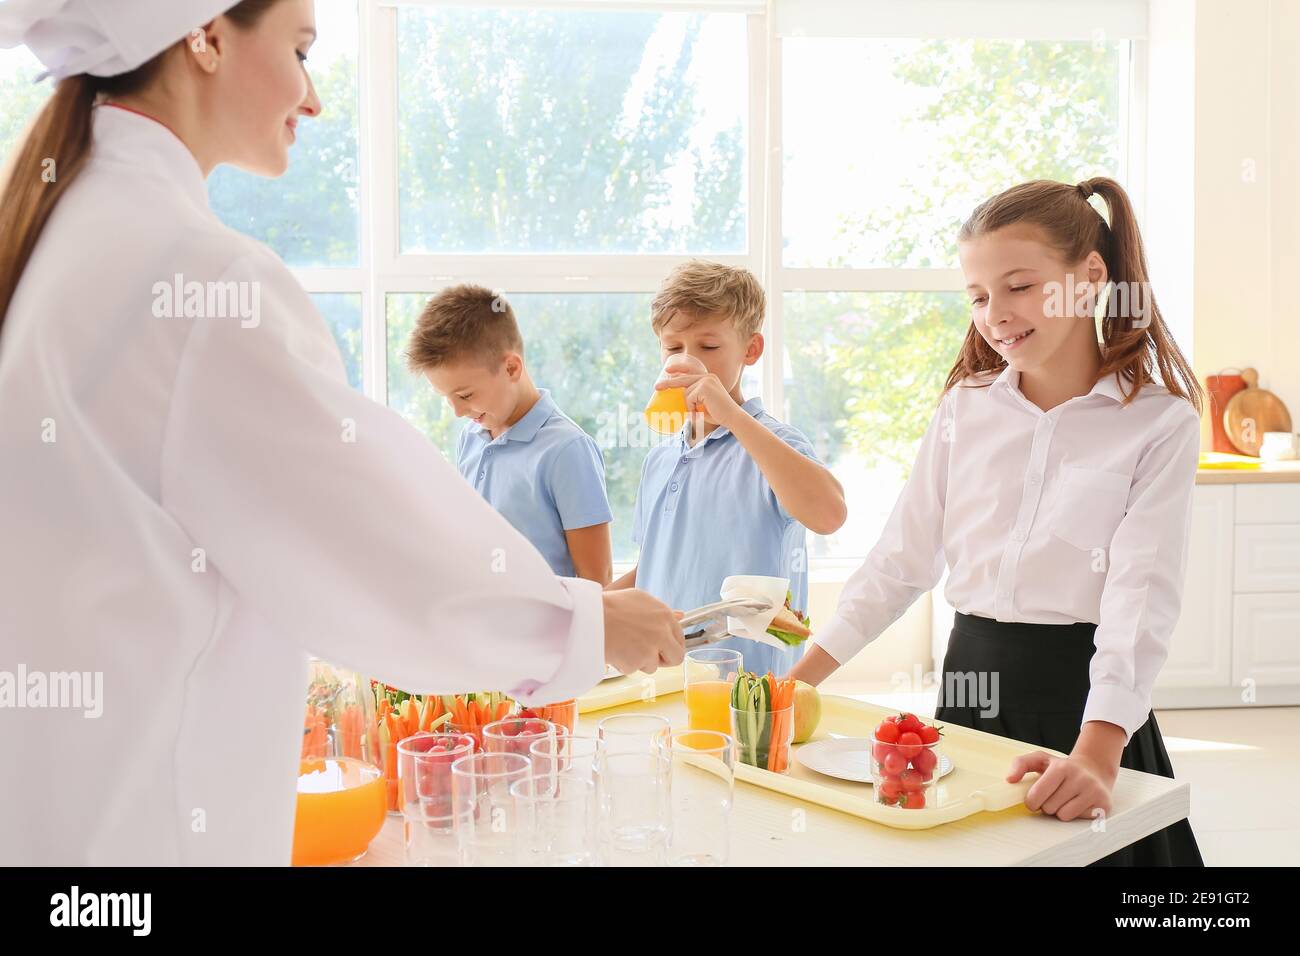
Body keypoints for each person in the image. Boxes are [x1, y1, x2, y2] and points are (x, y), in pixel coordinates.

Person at [0, 0, 682, 865]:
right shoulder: (197, 276)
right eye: (300, 47)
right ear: (204, 35)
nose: (313, 97)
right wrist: (582, 626)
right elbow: (373, 546)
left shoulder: (63, 239)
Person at [789, 178, 1204, 866]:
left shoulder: (1159, 423)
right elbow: (901, 561)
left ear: (1089, 277)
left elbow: (1141, 594)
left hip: (1087, 702)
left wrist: (1098, 756)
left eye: (1018, 285)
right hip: (968, 689)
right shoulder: (965, 408)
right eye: (979, 296)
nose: (995, 314)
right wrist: (797, 683)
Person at [609, 260, 847, 676]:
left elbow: (829, 515)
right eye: (673, 347)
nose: (688, 361)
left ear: (751, 350)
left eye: (709, 347)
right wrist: (584, 613)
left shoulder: (775, 444)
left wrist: (732, 417)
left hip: (749, 686)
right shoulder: (659, 458)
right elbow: (654, 566)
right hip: (663, 681)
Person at [406, 284, 613, 584]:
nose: (457, 412)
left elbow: (597, 581)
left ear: (512, 368)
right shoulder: (471, 438)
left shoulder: (567, 450)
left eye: (465, 395)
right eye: (445, 397)